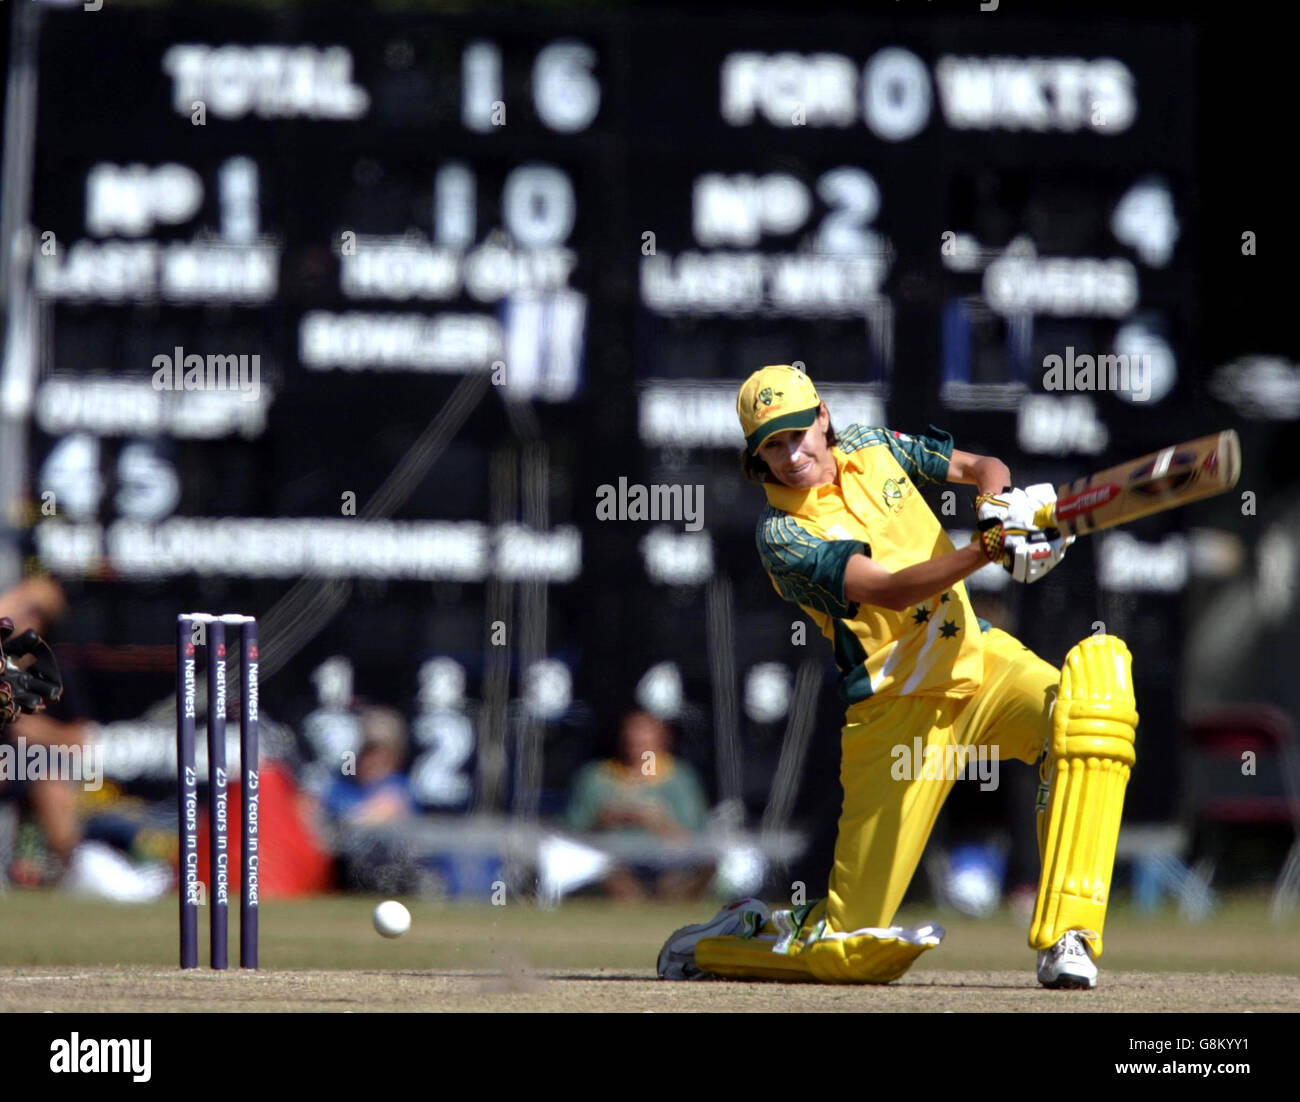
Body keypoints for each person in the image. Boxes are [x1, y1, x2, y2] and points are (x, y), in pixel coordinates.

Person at [657, 364, 1139, 988]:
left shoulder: (869, 445)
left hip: (980, 663)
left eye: (797, 432)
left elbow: (980, 465)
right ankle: (723, 944)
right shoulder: (782, 535)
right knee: (849, 951)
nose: (791, 454)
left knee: (1088, 711)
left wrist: (1003, 506)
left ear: (822, 417)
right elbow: (886, 590)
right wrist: (990, 548)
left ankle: (1069, 935)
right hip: (897, 715)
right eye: (771, 445)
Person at [566, 709, 710, 901]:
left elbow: (695, 840)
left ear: (663, 740)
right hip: (614, 860)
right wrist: (604, 820)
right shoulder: (596, 777)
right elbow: (571, 835)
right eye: (631, 740)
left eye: (644, 742)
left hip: (665, 862)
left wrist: (659, 821)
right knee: (609, 873)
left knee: (691, 873)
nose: (636, 748)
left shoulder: (679, 778)